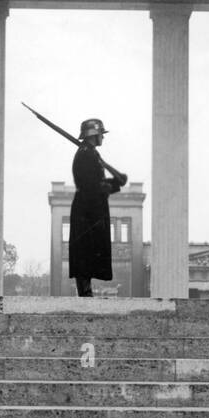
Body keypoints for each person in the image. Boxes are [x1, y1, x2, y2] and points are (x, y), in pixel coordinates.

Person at [68, 118, 125, 297]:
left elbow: (96, 183)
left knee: (89, 250)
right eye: (101, 134)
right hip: (87, 209)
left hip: (91, 207)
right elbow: (89, 184)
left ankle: (86, 291)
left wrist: (114, 183)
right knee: (84, 250)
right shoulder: (86, 154)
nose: (103, 137)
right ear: (94, 134)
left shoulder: (91, 153)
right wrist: (111, 185)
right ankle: (85, 292)